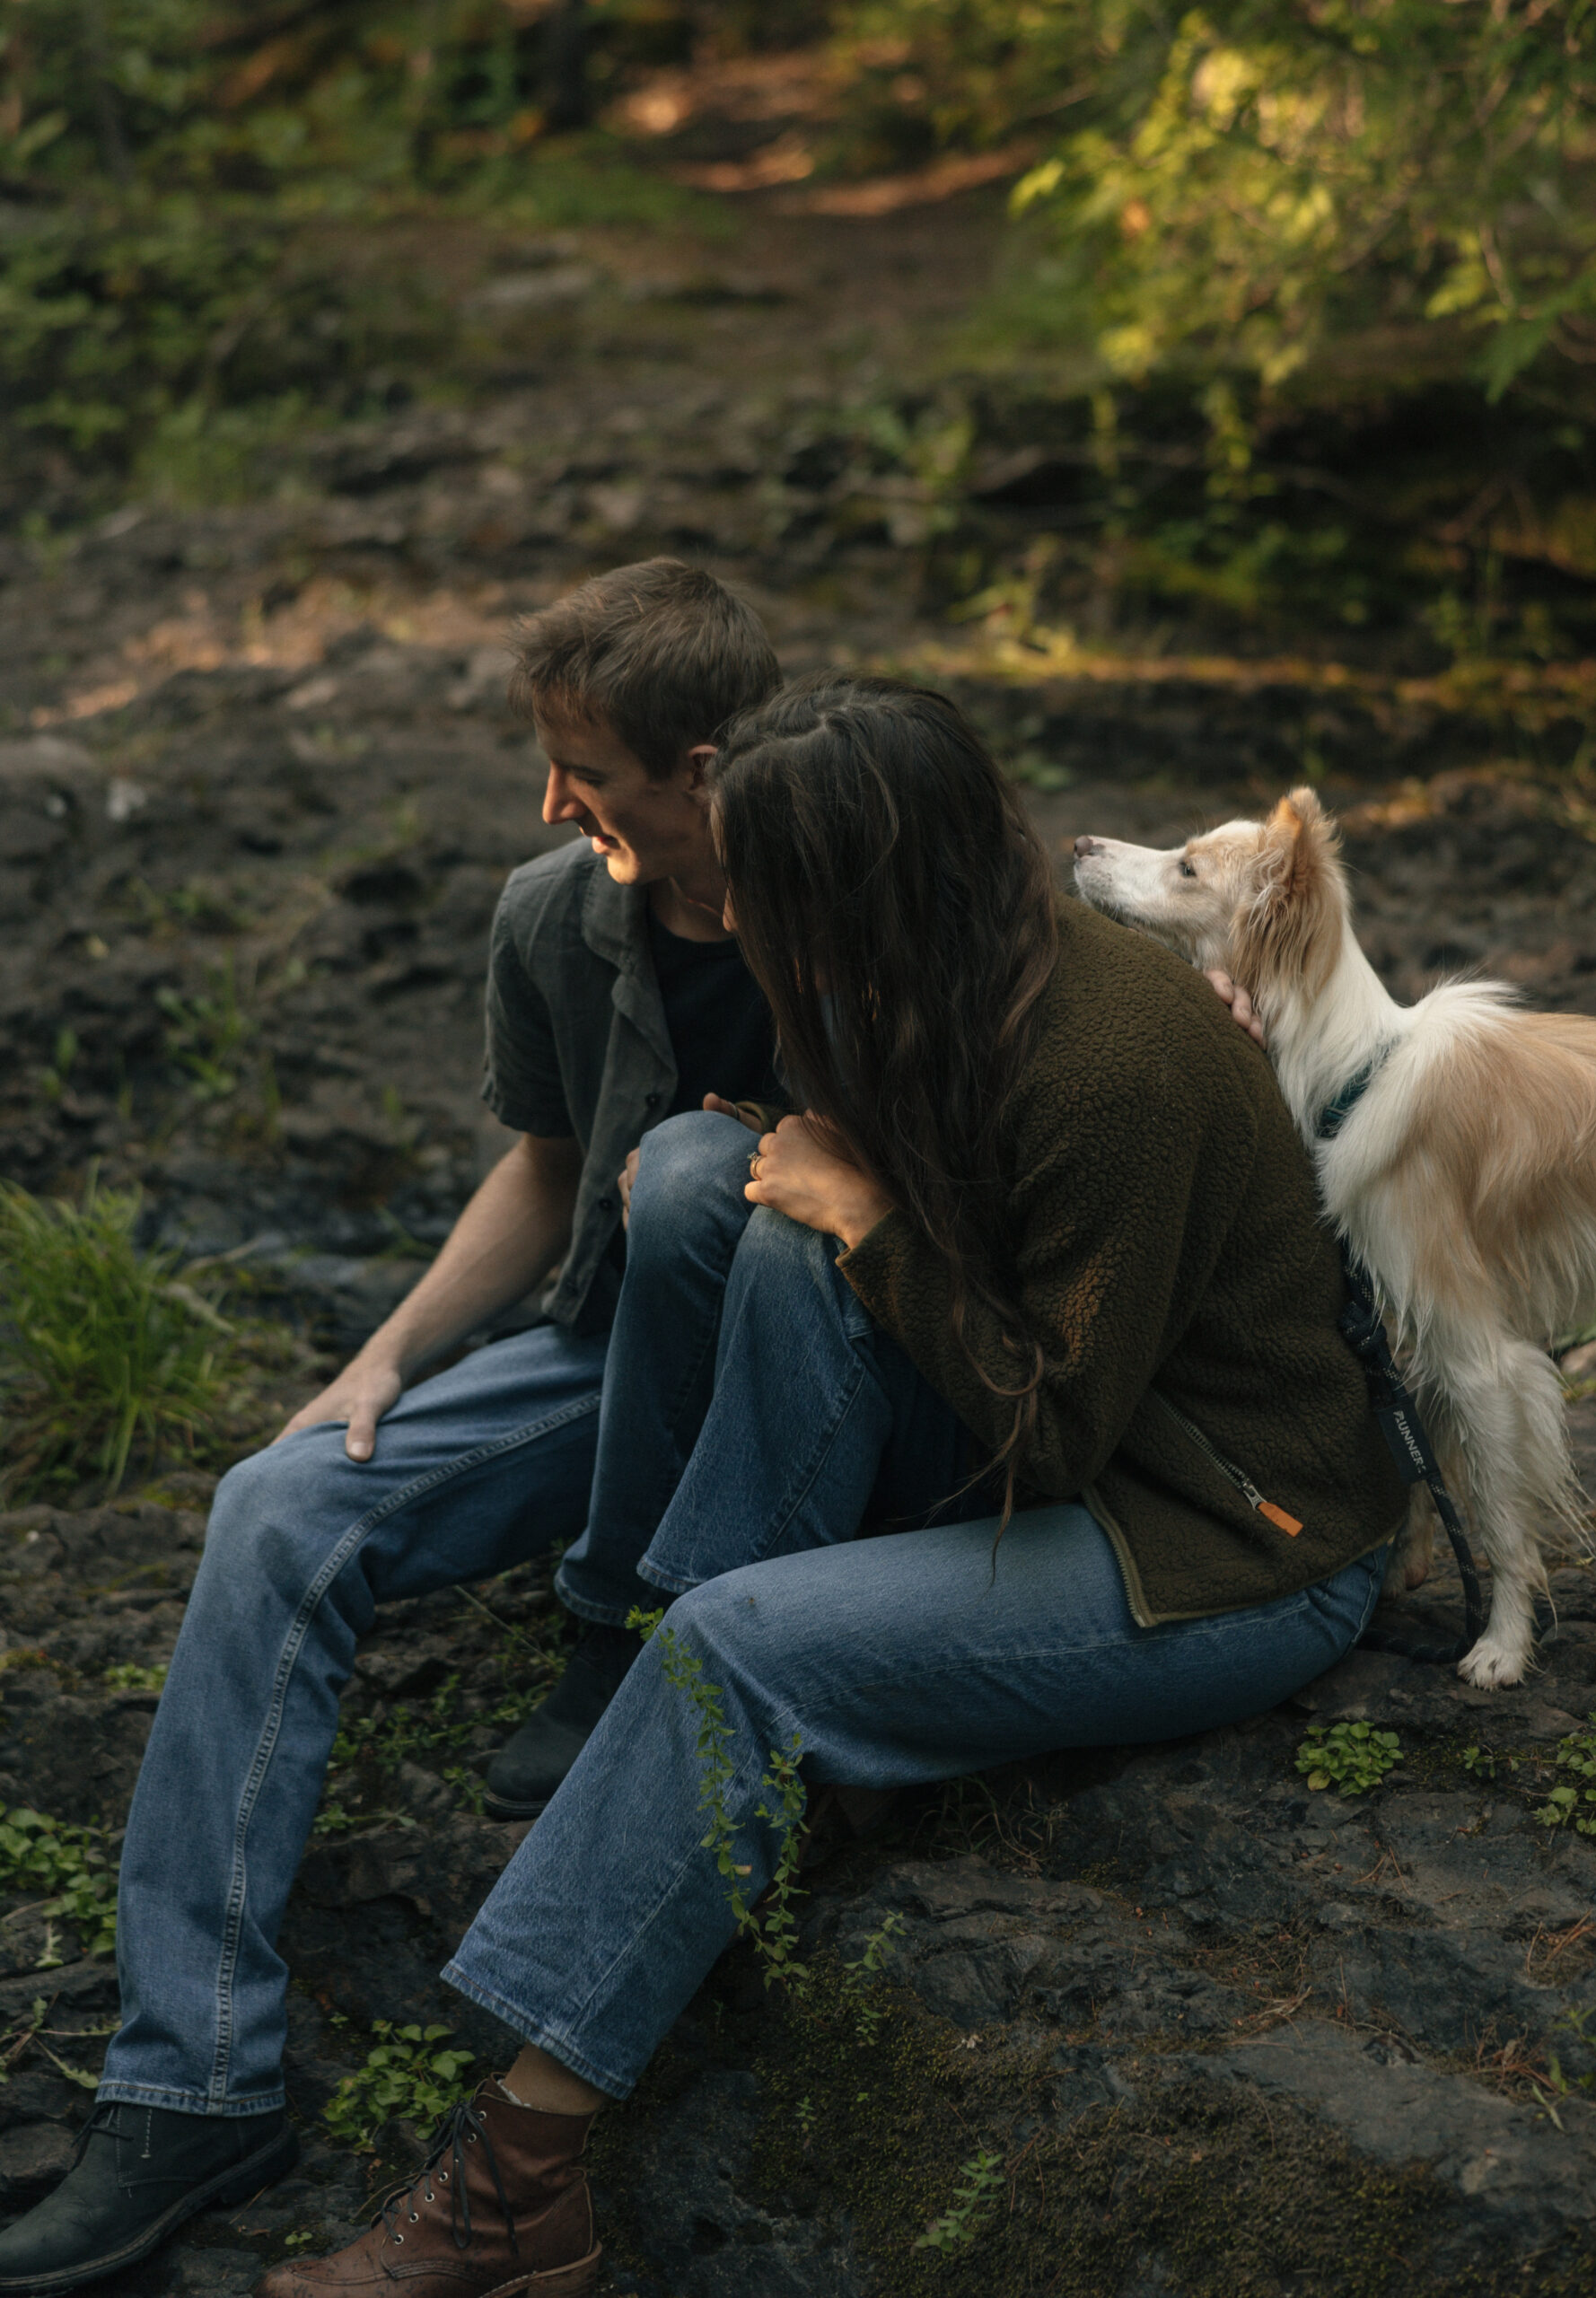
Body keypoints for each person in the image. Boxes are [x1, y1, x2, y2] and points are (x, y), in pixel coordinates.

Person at [241, 676, 1410, 2298]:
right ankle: (702, 1742)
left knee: (744, 1648)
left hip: (1220, 1534)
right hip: (1054, 1448)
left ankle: (520, 2187)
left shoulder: (1115, 1063)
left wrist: (868, 1219)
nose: (728, 916)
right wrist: (794, 1187)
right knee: (755, 1220)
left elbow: (1059, 1429)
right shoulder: (914, 983)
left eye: (758, 888)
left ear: (853, 889)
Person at [0, 558, 787, 2298]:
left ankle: (622, 1624)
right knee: (276, 1501)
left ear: (709, 763)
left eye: (583, 764)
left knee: (694, 1181)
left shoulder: (870, 892)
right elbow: (547, 1167)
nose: (548, 798)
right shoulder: (553, 912)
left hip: (813, 1404)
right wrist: (385, 1358)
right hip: (602, 1364)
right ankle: (187, 2080)